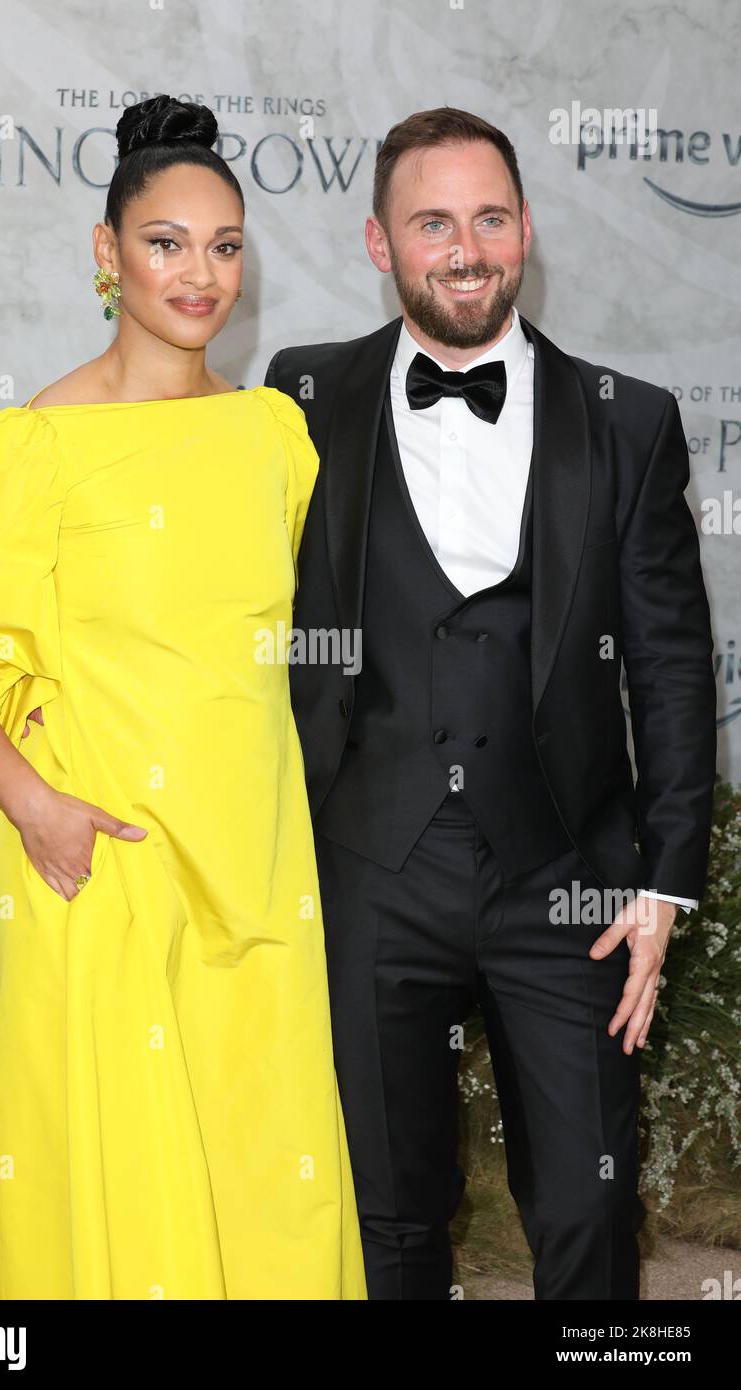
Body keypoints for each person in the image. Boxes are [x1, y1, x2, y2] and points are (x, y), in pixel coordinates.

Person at [0, 95, 366, 1300]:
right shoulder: (27, 449)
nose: (199, 274)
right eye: (165, 242)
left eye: (224, 245)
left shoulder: (270, 440)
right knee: (99, 1213)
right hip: (95, 869)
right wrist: (35, 804)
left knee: (264, 1186)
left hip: (249, 874)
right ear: (107, 253)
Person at [264, 107, 717, 1300]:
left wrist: (663, 885)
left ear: (526, 228)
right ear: (377, 242)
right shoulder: (299, 397)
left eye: (488, 217)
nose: (463, 248)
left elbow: (670, 663)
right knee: (384, 1216)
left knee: (587, 1210)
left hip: (567, 879)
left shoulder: (627, 421)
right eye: (431, 223)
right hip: (368, 867)